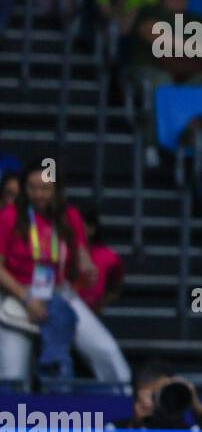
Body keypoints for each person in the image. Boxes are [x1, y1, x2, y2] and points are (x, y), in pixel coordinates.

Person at [0, 162, 131, 388]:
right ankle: (11, 421)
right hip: (18, 296)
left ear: (56, 189)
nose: (39, 194)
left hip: (60, 294)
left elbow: (81, 253)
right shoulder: (9, 217)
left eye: (45, 188)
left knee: (106, 351)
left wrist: (88, 267)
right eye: (32, 188)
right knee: (13, 373)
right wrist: (26, 298)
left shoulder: (69, 216)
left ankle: (125, 410)